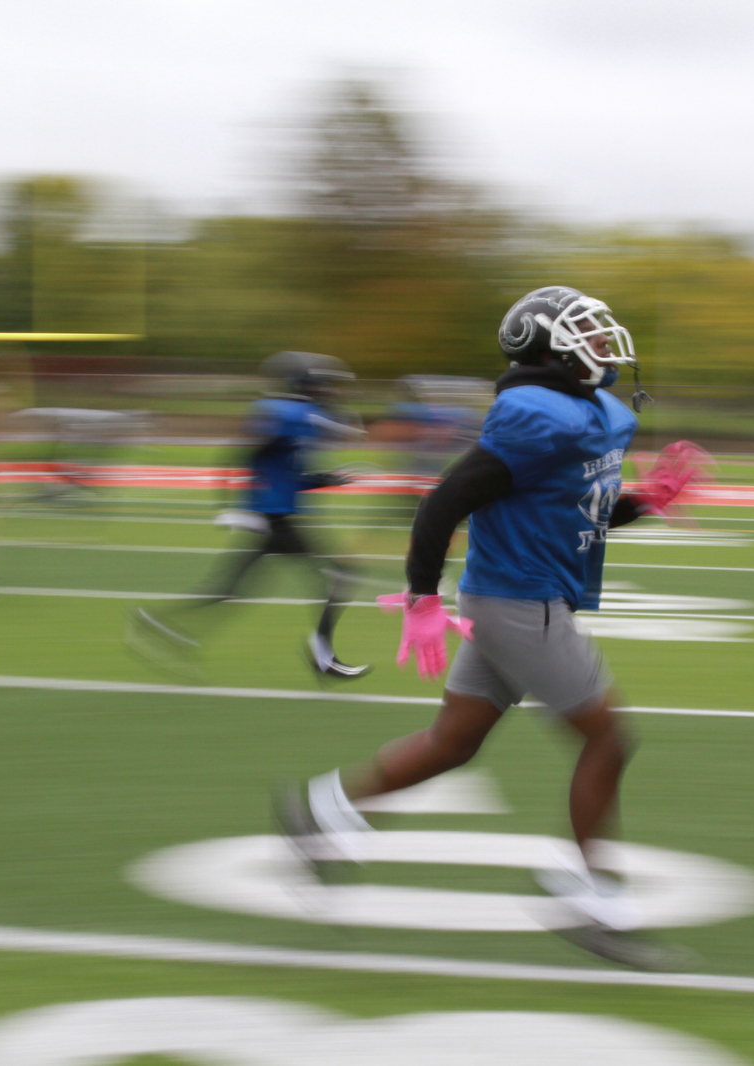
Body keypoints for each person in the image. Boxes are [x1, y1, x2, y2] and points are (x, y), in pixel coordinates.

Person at [277, 287, 707, 969]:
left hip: (513, 600)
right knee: (608, 738)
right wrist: (421, 597)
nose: (603, 345)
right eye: (587, 335)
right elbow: (443, 503)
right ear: (550, 347)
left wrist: (647, 500)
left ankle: (322, 815)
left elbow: (582, 511)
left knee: (452, 744)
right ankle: (587, 894)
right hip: (519, 605)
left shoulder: (588, 413)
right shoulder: (538, 417)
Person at [128, 351, 371, 679]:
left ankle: (157, 624)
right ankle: (322, 656)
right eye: (323, 384)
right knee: (342, 575)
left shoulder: (297, 416)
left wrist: (327, 479)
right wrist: (232, 506)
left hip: (277, 516)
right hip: (271, 519)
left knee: (230, 590)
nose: (329, 391)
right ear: (304, 384)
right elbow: (240, 453)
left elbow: (286, 477)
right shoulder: (289, 413)